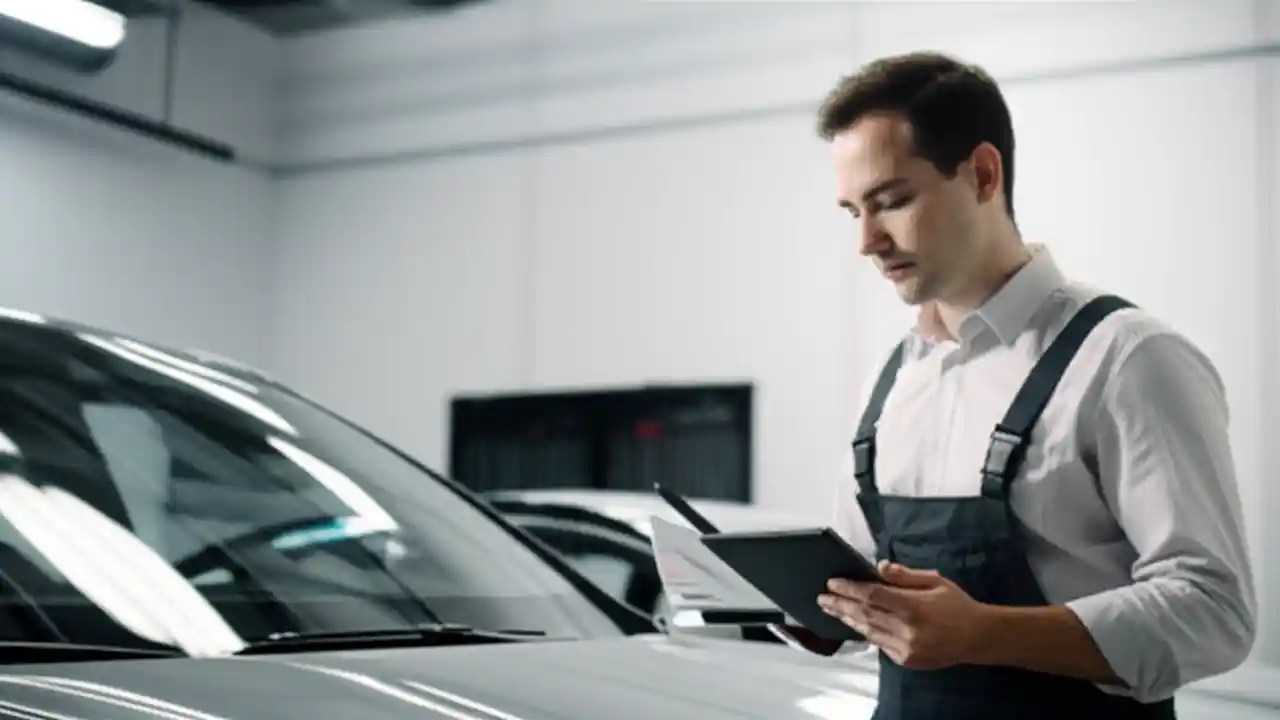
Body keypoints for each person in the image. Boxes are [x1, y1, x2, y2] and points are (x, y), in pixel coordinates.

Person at [809, 51, 1257, 719]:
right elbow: (867, 583)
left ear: (984, 174)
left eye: (893, 200)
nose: (868, 241)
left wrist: (983, 633)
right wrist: (814, 613)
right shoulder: (896, 377)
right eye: (853, 213)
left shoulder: (1127, 358)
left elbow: (1215, 611)